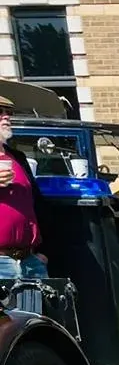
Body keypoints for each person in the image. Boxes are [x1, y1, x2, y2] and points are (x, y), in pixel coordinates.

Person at [0, 94, 46, 280]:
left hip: (30, 261)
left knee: (34, 310)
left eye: (7, 112)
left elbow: (37, 204)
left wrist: (42, 252)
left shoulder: (17, 157)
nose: (6, 117)